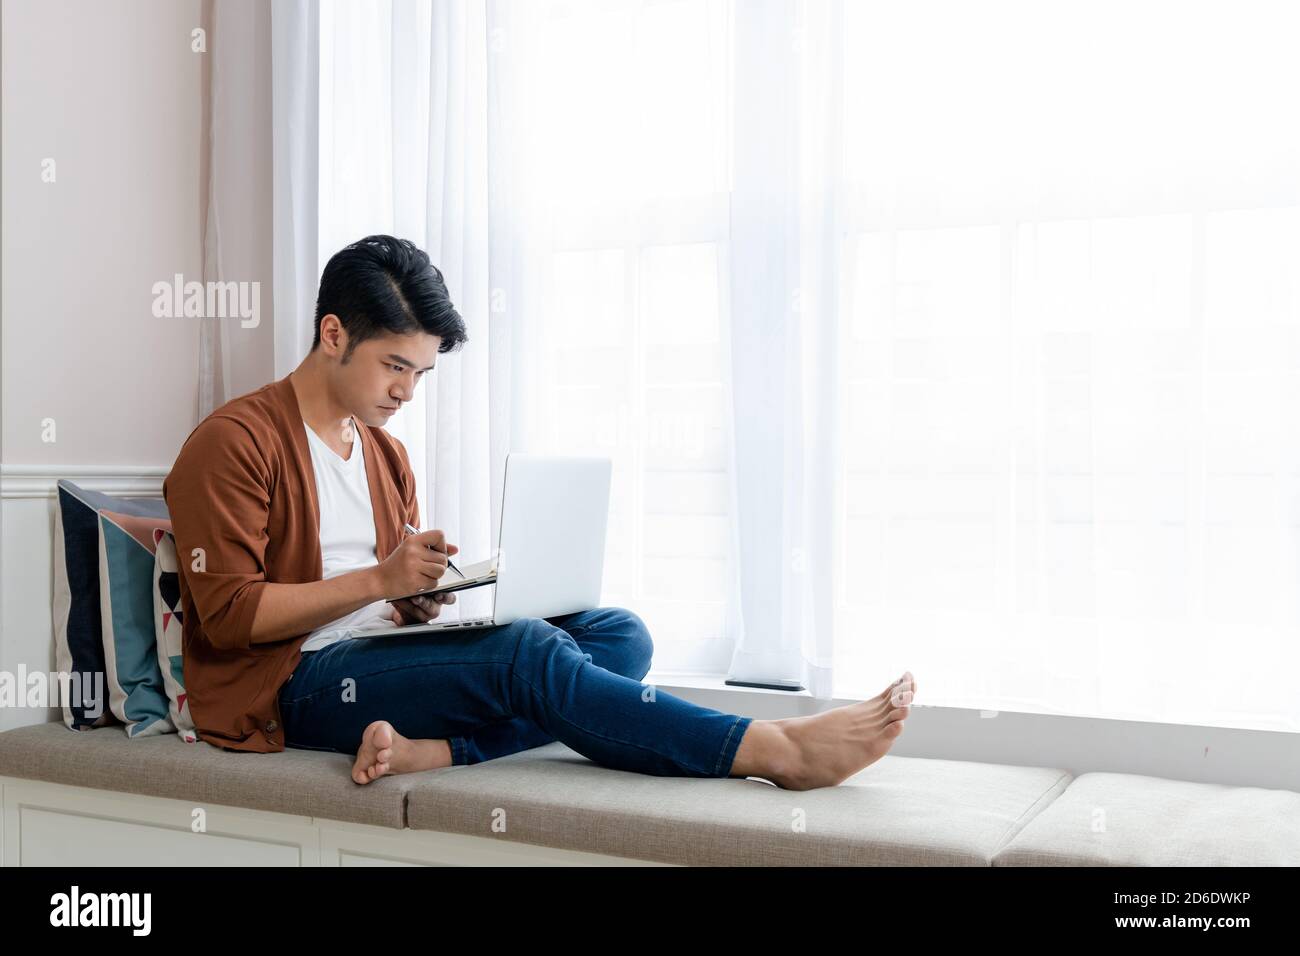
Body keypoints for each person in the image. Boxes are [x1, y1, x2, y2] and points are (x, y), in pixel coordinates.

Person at [163, 234, 917, 791]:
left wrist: (417, 596)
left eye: (420, 374)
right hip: (294, 686)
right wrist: (377, 582)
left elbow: (387, 600)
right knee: (527, 653)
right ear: (334, 334)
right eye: (396, 366)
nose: (406, 393)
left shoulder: (384, 453)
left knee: (619, 635)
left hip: (371, 658)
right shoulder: (234, 442)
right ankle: (773, 749)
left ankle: (441, 751)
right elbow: (230, 617)